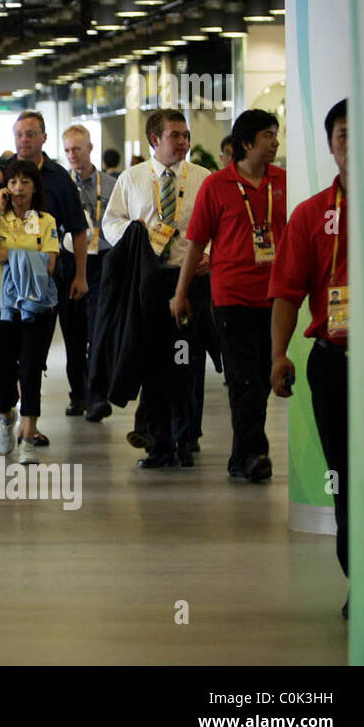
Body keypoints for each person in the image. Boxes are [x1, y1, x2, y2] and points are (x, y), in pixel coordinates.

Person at [172, 109, 285, 482]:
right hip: (231, 296)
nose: (276, 142)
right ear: (247, 143)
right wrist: (181, 293)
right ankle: (254, 454)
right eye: (269, 135)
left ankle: (242, 456)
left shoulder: (283, 182)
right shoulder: (217, 185)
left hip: (274, 298)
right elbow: (196, 243)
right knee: (243, 377)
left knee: (265, 378)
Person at [0, 112, 88, 447]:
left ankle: (29, 427)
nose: (24, 140)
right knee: (3, 367)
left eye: (31, 134)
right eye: (19, 134)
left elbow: (69, 239)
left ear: (43, 137)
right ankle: (6, 414)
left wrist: (80, 274)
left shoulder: (53, 196)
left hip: (39, 298)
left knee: (32, 365)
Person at [269, 100, 348, 614]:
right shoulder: (311, 214)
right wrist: (279, 354)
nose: (353, 144)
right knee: (346, 474)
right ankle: (360, 578)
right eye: (344, 134)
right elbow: (288, 293)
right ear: (330, 144)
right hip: (336, 362)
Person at [102, 109, 211, 468]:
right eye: (175, 136)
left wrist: (209, 255)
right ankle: (159, 442)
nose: (183, 142)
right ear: (155, 140)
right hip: (147, 282)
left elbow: (218, 226)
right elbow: (110, 223)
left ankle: (185, 438)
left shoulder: (202, 178)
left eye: (186, 135)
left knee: (185, 360)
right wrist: (132, 237)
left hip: (188, 280)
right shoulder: (132, 179)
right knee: (152, 362)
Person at [0, 158, 60, 465]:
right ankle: (5, 417)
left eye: (25, 182)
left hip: (35, 307)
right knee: (2, 373)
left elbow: (50, 263)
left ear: (35, 187)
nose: (18, 188)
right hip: (0, 306)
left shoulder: (45, 221)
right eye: (13, 182)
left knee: (30, 371)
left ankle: (28, 436)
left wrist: (10, 255)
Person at [61, 124, 119, 421]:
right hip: (69, 261)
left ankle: (98, 395)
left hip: (102, 261)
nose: (72, 155)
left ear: (90, 149)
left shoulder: (111, 185)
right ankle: (78, 394)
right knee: (73, 331)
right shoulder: (60, 185)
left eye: (77, 149)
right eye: (68, 149)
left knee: (100, 329)